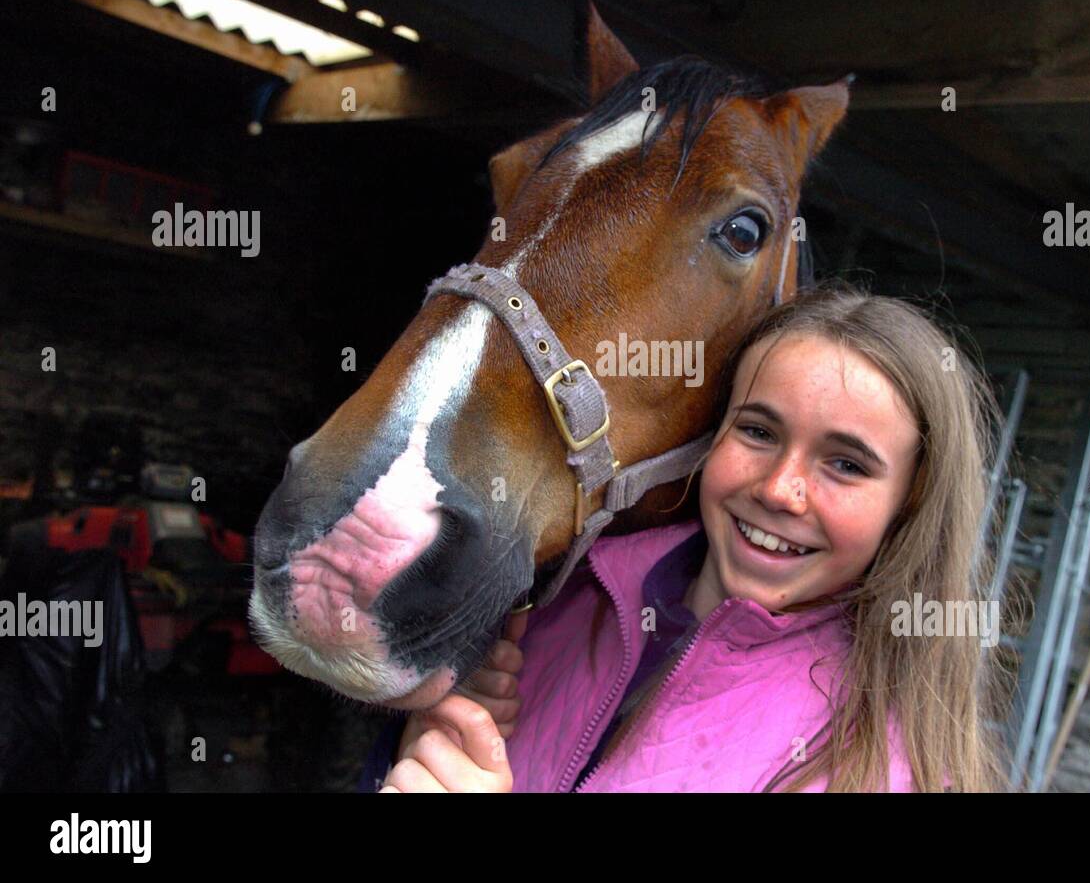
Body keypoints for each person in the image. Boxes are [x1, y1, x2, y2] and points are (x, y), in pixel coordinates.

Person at [373, 281, 1012, 792]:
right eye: (759, 432)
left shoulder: (876, 768)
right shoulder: (560, 598)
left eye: (846, 464)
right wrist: (433, 745)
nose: (779, 488)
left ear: (911, 504)